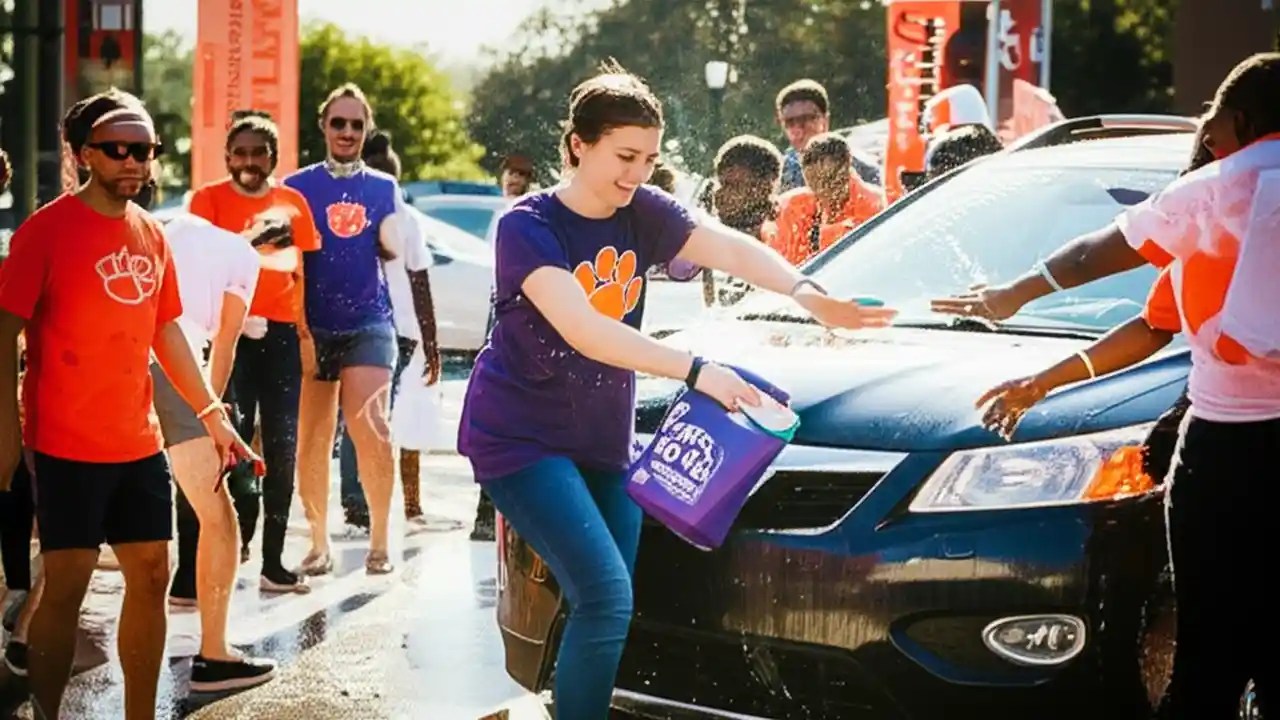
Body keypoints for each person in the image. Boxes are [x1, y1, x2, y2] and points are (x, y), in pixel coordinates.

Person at [458, 61, 897, 720]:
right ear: (579, 144)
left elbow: (732, 250)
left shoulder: (643, 211)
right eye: (624, 156)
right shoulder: (528, 225)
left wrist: (808, 293)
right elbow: (584, 332)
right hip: (519, 437)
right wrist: (698, 371)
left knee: (612, 600)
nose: (637, 172)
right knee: (605, 595)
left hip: (600, 436)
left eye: (650, 158)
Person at [973, 53, 1280, 718]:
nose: (1208, 141)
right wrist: (1045, 379)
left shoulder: (1215, 193)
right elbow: (1152, 325)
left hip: (1227, 455)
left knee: (1208, 658)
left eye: (1216, 127)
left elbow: (1093, 254)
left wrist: (1015, 292)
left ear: (1243, 119)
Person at [0, 88, 256, 720]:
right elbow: (3, 337)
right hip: (64, 445)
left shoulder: (151, 234)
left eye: (146, 151)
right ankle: (49, 713)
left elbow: (165, 331)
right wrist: (9, 438)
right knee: (65, 590)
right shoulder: (45, 233)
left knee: (150, 576)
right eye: (120, 151)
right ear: (87, 154)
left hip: (138, 443)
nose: (136, 163)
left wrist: (213, 414)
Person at [149, 196, 284, 691]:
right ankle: (214, 653)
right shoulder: (246, 260)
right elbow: (224, 342)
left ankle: (26, 632)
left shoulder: (178, 224)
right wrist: (212, 412)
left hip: (128, 361)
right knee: (219, 518)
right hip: (175, 367)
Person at [188, 111, 319, 594]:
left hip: (282, 337)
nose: (249, 161)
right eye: (240, 152)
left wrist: (306, 335)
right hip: (229, 336)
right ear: (227, 156)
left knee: (283, 449)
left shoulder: (292, 203)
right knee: (226, 443)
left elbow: (301, 272)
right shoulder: (206, 200)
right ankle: (213, 555)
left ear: (273, 157)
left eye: (258, 152)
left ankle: (273, 562)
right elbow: (200, 263)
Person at [286, 83, 411, 576]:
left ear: (367, 130)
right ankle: (319, 542)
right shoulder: (297, 186)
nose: (347, 132)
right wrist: (297, 331)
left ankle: (380, 538)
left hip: (367, 321)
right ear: (323, 126)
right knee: (312, 439)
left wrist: (391, 243)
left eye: (357, 124)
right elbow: (285, 262)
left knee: (372, 426)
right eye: (338, 122)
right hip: (313, 325)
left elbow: (397, 252)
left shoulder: (383, 188)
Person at [336, 130, 441, 531]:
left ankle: (357, 504)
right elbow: (421, 280)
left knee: (357, 417)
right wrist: (431, 342)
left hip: (365, 324)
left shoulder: (349, 215)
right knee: (373, 416)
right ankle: (360, 504)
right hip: (395, 329)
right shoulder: (406, 218)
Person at [771, 133, 884, 266]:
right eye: (814, 185)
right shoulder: (791, 207)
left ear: (848, 167)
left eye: (830, 181)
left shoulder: (878, 206)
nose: (823, 192)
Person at [775, 79, 831, 193]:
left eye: (805, 119)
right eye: (790, 122)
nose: (798, 128)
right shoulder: (777, 177)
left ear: (825, 121)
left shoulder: (858, 170)